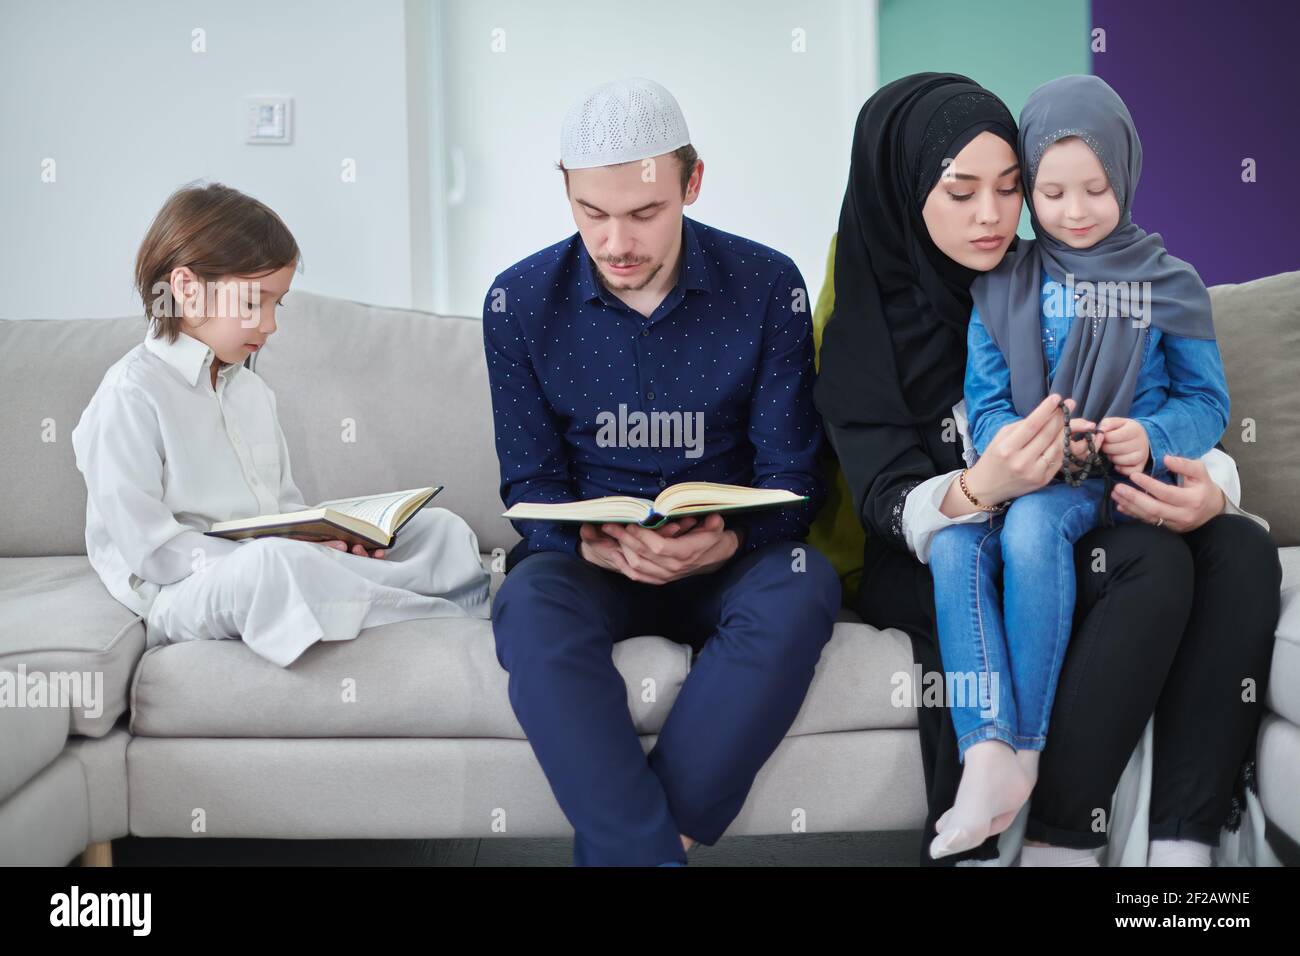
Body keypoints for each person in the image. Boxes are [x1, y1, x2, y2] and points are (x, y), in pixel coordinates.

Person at [813, 73, 1281, 867]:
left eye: (1008, 188)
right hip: (945, 534)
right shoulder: (872, 314)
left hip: (1101, 496)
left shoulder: (1099, 274)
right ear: (904, 189)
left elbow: (1176, 394)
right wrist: (979, 487)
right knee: (1134, 566)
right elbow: (885, 498)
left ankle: (1186, 839)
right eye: (961, 193)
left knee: (1237, 549)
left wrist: (1212, 486)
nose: (993, 216)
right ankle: (1050, 822)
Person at [484, 77, 839, 866]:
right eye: (592, 213)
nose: (616, 243)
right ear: (567, 193)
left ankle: (639, 848)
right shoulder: (517, 301)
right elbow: (530, 485)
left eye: (644, 213)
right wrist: (592, 545)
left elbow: (794, 475)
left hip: (730, 559)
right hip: (593, 564)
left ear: (692, 183)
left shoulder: (768, 284)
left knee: (805, 579)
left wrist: (724, 543)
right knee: (527, 607)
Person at [927, 75, 1232, 859]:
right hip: (1037, 479)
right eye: (1052, 192)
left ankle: (1021, 751)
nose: (1074, 211)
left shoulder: (1171, 283)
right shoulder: (1002, 288)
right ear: (1030, 190)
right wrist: (1021, 446)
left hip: (1118, 486)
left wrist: (1154, 437)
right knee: (977, 538)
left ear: (1124, 176)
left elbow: (1207, 403)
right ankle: (993, 752)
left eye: (1095, 189)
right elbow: (986, 405)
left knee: (1028, 526)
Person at [72, 183, 490, 668]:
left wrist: (325, 539)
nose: (269, 325)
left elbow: (283, 508)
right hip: (183, 590)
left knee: (441, 530)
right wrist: (295, 554)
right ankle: (437, 615)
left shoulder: (251, 393)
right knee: (273, 567)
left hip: (279, 559)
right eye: (254, 303)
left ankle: (385, 601)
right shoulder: (130, 394)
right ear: (185, 289)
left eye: (277, 304)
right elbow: (154, 553)